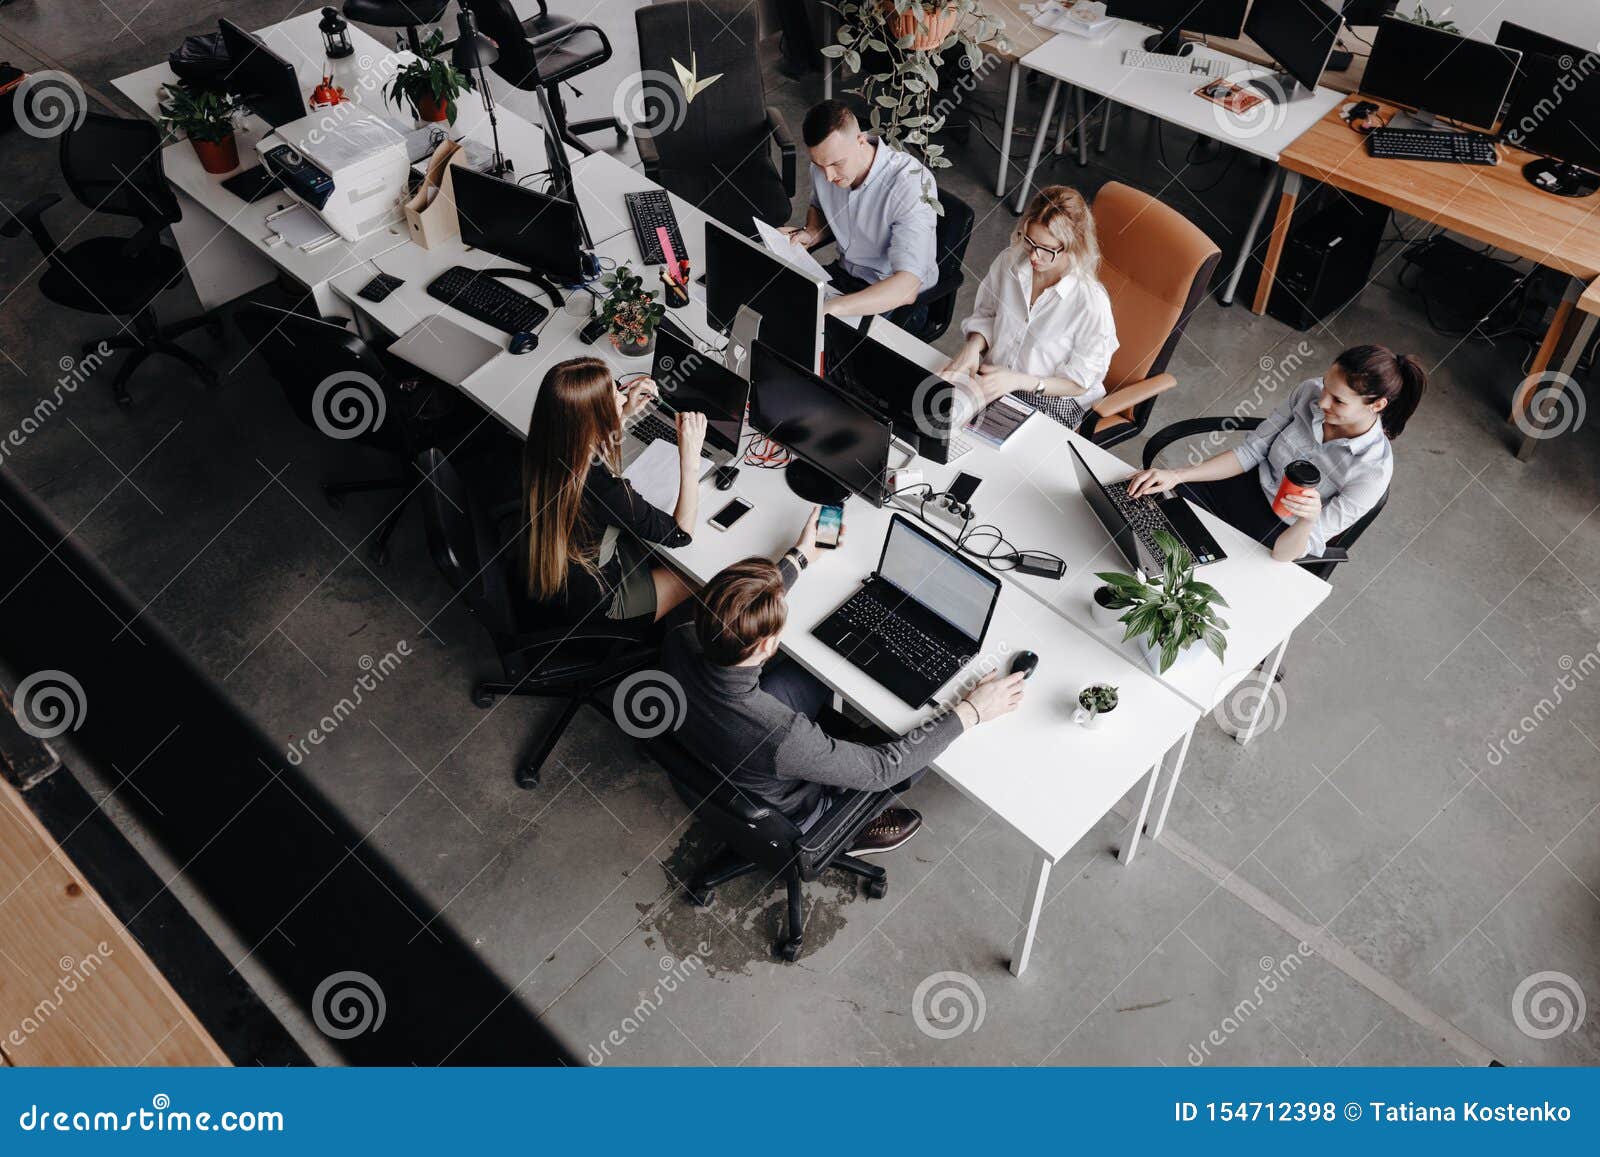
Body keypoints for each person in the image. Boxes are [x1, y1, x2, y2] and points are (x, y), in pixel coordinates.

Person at [659, 509, 1026, 853]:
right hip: (795, 809)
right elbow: (886, 768)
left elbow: (736, 607)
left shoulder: (684, 631)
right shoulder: (783, 736)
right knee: (923, 743)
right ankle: (852, 829)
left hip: (712, 755)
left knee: (822, 663)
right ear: (769, 643)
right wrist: (973, 709)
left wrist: (800, 557)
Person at [1127, 345, 1426, 562]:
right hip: (1241, 486)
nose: (1321, 402)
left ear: (1377, 405)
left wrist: (1309, 520)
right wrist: (1176, 475)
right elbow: (1251, 451)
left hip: (1280, 530)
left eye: (1338, 400)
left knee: (1194, 575)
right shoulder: (1308, 391)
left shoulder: (1373, 470)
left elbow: (1286, 554)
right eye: (1325, 386)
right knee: (1141, 525)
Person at [522, 356, 706, 622]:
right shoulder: (605, 489)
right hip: (601, 600)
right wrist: (691, 459)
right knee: (700, 576)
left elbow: (586, 446)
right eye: (615, 395)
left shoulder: (546, 445)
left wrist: (623, 414)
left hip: (557, 568)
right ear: (593, 419)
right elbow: (680, 535)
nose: (622, 397)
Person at [941, 185, 1118, 431]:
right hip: (997, 377)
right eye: (1029, 241)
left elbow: (1080, 382)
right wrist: (972, 347)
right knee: (931, 413)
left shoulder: (1090, 302)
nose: (1034, 256)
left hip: (1052, 397)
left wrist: (1018, 381)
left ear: (1074, 245)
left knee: (980, 446)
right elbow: (988, 314)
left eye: (1046, 249)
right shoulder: (1010, 261)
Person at [781, 99, 939, 331]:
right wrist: (812, 232)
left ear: (861, 142)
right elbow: (820, 207)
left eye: (836, 164)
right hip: (846, 275)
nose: (827, 177)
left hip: (893, 297)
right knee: (781, 311)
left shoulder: (910, 183)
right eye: (819, 165)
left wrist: (835, 307)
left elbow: (906, 287)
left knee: (824, 343)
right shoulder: (825, 166)